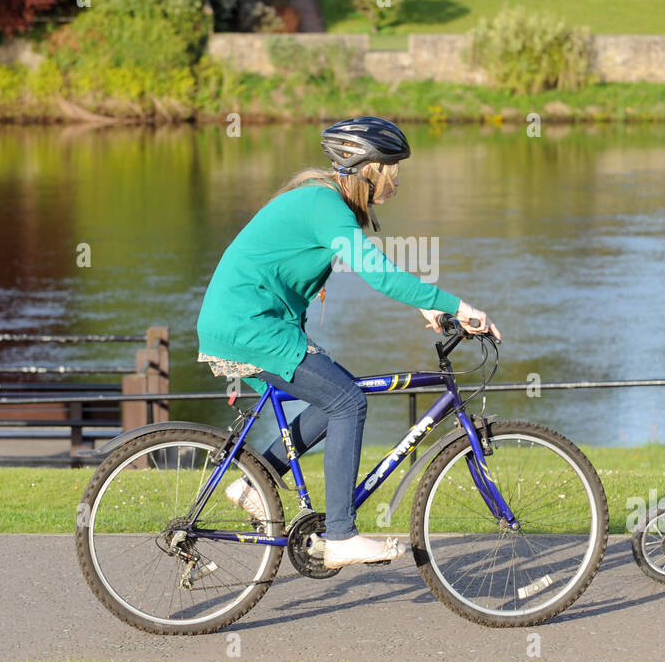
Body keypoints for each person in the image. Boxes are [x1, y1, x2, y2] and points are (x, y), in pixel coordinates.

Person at [195, 116, 499, 569]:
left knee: (335, 396)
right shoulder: (324, 205)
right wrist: (453, 303)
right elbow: (375, 270)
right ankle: (340, 535)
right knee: (349, 402)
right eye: (390, 167)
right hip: (250, 327)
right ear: (365, 168)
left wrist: (424, 307)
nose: (395, 178)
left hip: (250, 325)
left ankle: (254, 479)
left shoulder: (323, 203)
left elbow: (340, 271)